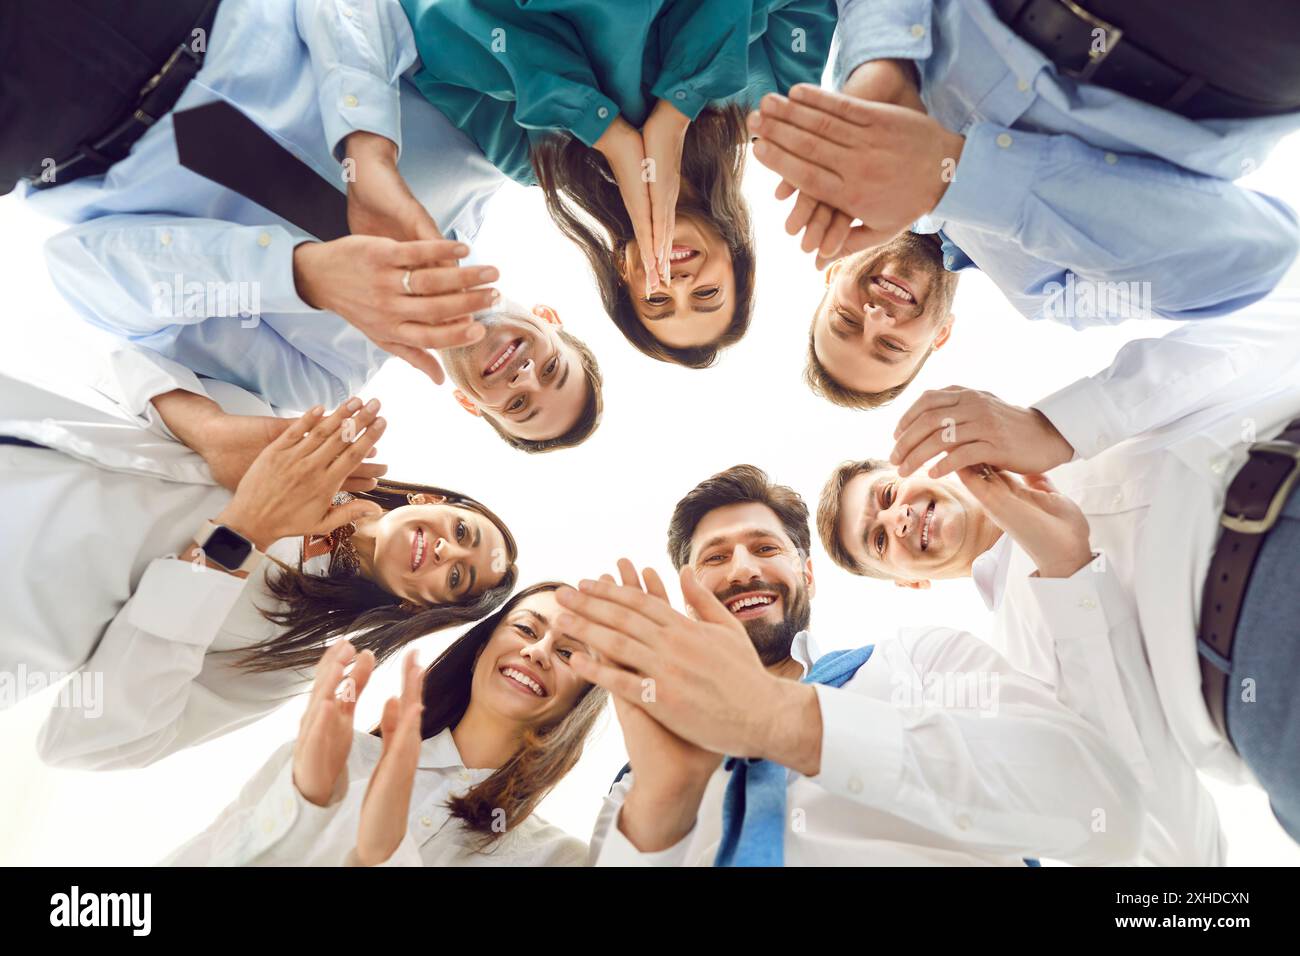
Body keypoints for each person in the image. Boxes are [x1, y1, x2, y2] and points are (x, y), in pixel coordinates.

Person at [815, 294, 1300, 848]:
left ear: (919, 465)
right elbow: (1167, 843)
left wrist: (1057, 427)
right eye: (879, 539)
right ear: (909, 582)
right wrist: (1070, 574)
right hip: (1265, 684)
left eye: (886, 494)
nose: (896, 519)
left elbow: (1270, 331)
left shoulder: (1056, 430)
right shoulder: (1018, 673)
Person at [16, 0, 603, 452]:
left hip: (49, 124)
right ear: (549, 319)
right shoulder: (482, 160)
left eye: (520, 404)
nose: (525, 374)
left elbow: (85, 270)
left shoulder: (318, 377)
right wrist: (368, 153)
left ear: (475, 407)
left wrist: (299, 275)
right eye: (552, 368)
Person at [554, 465, 1142, 865]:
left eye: (764, 549)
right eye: (715, 558)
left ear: (806, 575)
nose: (741, 571)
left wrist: (783, 721)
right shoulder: (641, 777)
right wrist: (667, 799)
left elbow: (1104, 806)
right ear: (690, 593)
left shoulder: (920, 659)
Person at [747, 0, 1300, 406]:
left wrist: (882, 63)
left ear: (831, 274)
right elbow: (1254, 256)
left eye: (845, 320)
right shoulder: (1051, 297)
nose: (876, 317)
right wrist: (956, 176)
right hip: (1235, 50)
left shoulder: (846, 96)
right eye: (890, 346)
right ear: (940, 337)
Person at [0, 350, 518, 770]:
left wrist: (241, 537)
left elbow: (94, 741)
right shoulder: (303, 433)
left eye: (456, 576)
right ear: (431, 504)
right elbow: (120, 354)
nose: (448, 550)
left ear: (416, 607)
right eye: (462, 531)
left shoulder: (298, 655)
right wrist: (211, 431)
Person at [399, 0, 837, 366]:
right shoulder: (776, 106)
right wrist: (679, 104)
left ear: (622, 274)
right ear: (736, 254)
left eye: (657, 303)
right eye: (707, 293)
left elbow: (439, 25)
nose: (679, 283)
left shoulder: (535, 161)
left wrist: (601, 128)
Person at [167, 584, 607, 866]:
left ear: (583, 699)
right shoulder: (336, 758)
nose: (538, 652)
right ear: (480, 649)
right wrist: (304, 802)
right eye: (527, 629)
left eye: (568, 653)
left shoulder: (558, 859)